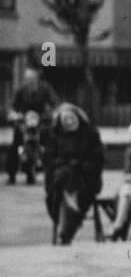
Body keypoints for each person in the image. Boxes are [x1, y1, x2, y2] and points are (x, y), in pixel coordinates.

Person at [43, 103, 103, 245]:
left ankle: (65, 230)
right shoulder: (55, 137)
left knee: (64, 181)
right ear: (60, 122)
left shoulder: (91, 135)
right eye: (65, 119)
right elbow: (48, 160)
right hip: (60, 179)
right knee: (60, 181)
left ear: (78, 117)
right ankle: (69, 216)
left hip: (85, 179)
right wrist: (67, 163)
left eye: (72, 118)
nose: (69, 122)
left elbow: (97, 159)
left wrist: (78, 165)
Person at [7, 66, 58, 184]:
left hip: (42, 121)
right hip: (24, 121)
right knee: (15, 144)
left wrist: (52, 113)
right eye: (27, 78)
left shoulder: (45, 88)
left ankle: (52, 174)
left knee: (51, 144)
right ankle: (11, 175)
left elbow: (55, 103)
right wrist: (14, 114)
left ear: (37, 77)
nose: (29, 80)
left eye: (32, 78)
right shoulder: (21, 90)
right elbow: (12, 105)